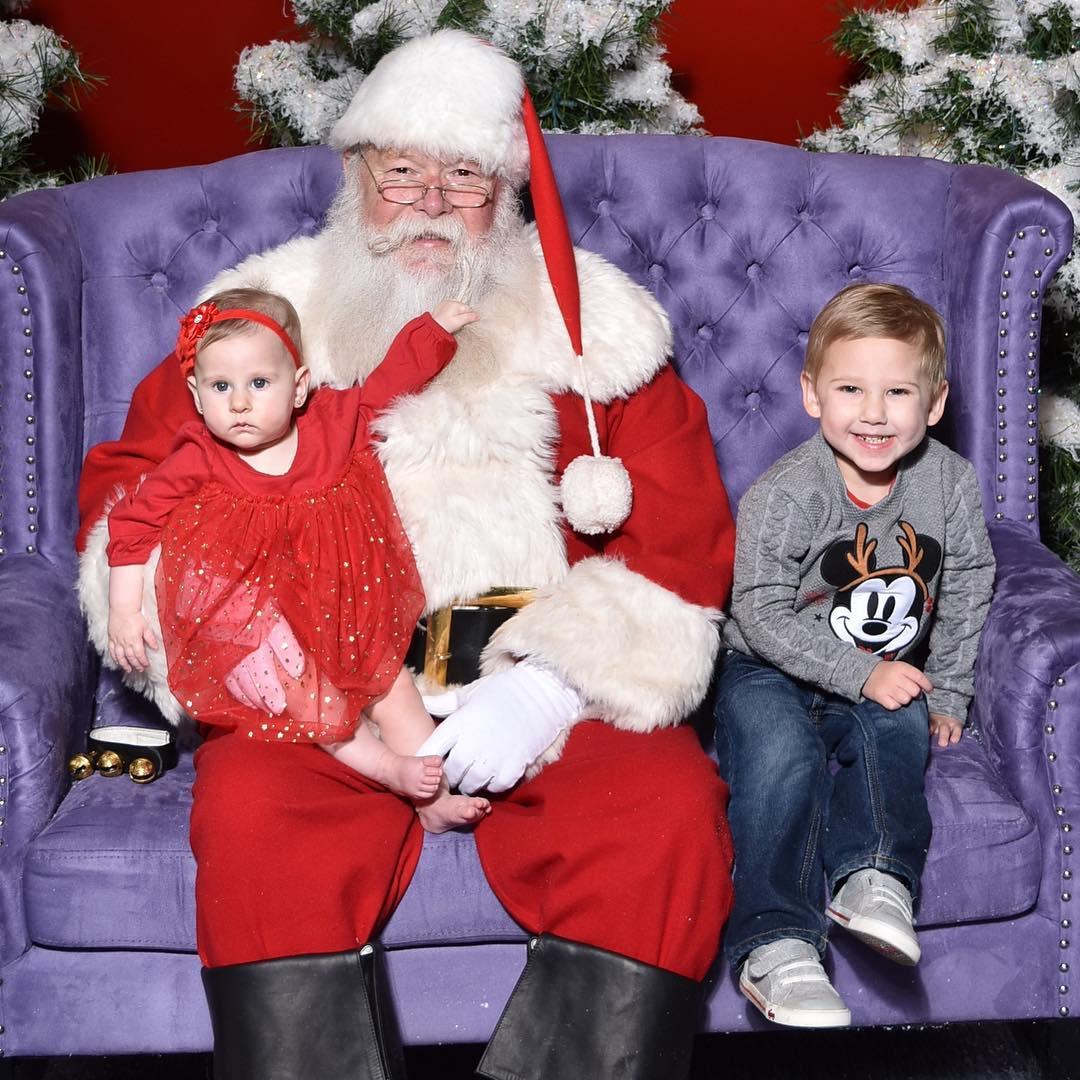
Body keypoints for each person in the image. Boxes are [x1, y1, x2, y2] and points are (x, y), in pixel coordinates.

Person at [76, 30, 736, 1080]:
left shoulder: (595, 327)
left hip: (528, 677)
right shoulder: (256, 324)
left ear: (507, 195)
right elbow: (145, 505)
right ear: (354, 180)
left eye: (465, 176)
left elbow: (682, 529)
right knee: (251, 816)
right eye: (402, 174)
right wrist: (297, 681)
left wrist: (554, 688)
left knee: (666, 815)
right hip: (311, 687)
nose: (431, 202)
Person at [714, 282, 996, 1029]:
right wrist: (862, 671)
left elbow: (968, 584)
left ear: (934, 403)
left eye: (898, 391)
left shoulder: (950, 483)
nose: (873, 412)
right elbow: (759, 610)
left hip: (882, 670)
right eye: (850, 388)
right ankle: (776, 941)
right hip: (765, 666)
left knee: (896, 731)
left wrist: (950, 693)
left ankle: (872, 876)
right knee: (782, 758)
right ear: (812, 394)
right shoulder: (785, 493)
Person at [105, 288, 490, 833]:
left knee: (393, 689)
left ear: (299, 385)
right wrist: (125, 609)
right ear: (196, 395)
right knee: (315, 701)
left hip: (346, 607)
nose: (239, 403)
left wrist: (434, 329)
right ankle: (390, 770)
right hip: (262, 626)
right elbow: (134, 521)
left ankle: (435, 800)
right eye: (221, 387)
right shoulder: (199, 457)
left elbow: (387, 384)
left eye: (259, 383)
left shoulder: (331, 423)